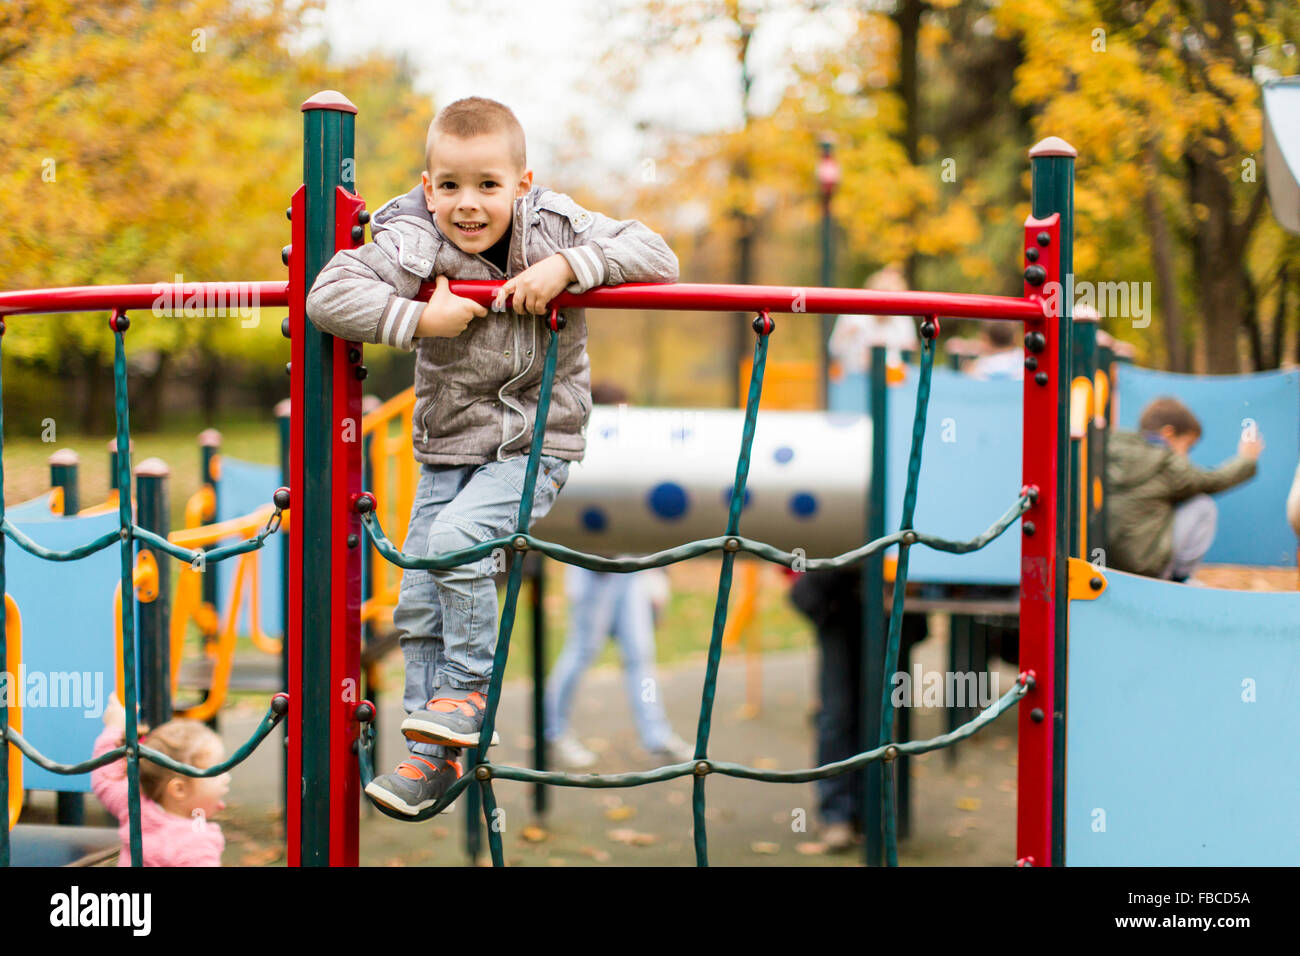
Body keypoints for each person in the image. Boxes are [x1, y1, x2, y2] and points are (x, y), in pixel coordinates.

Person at [306, 97, 678, 815]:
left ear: (522, 183)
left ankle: (467, 693)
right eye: (449, 186)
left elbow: (658, 255)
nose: (467, 205)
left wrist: (573, 264)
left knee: (453, 543)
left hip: (534, 444)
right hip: (449, 446)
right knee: (417, 589)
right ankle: (429, 760)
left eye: (487, 185)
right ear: (426, 186)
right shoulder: (411, 234)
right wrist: (422, 317)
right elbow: (328, 295)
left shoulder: (557, 224)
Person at [543, 382, 693, 769]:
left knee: (641, 655)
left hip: (628, 567)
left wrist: (655, 572)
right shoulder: (580, 450)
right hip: (594, 569)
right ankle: (553, 731)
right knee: (581, 651)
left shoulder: (627, 450)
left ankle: (655, 734)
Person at [1106, 396, 1264, 581]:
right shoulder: (1166, 463)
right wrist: (1247, 459)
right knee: (1202, 505)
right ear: (1168, 434)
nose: (1186, 455)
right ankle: (1178, 579)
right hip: (1145, 565)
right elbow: (1213, 480)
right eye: (1187, 445)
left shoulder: (1110, 446)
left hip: (1105, 560)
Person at [90, 695, 229, 867]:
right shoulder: (197, 846)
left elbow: (104, 779)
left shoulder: (136, 808)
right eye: (216, 772)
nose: (226, 778)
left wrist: (113, 729)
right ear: (179, 789)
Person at [827, 264, 918, 372]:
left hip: (892, 381)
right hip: (854, 376)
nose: (884, 308)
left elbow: (908, 356)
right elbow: (833, 349)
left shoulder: (902, 320)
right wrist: (846, 335)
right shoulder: (852, 316)